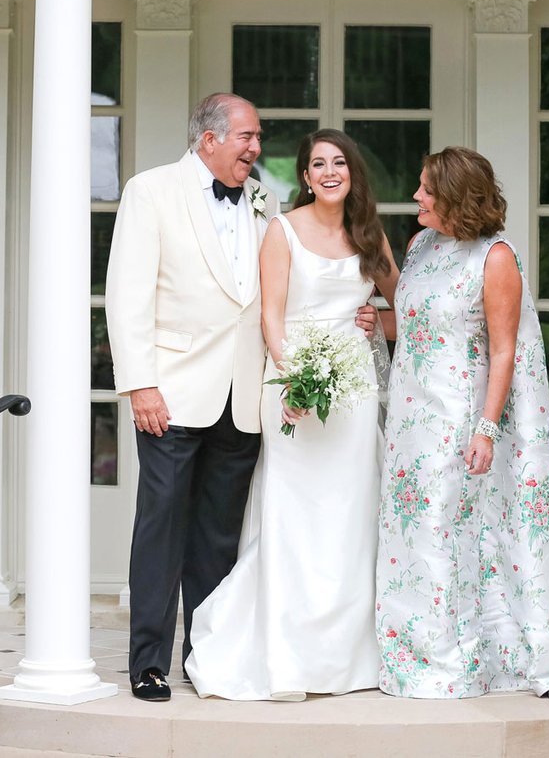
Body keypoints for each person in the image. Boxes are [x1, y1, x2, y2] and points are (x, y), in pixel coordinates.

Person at [185, 128, 399, 701]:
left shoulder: (368, 234)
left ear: (352, 173)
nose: (330, 172)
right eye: (318, 165)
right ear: (305, 177)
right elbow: (272, 318)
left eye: (340, 163)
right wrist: (294, 378)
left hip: (352, 391)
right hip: (294, 387)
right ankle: (286, 657)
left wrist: (377, 322)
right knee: (294, 515)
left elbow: (408, 313)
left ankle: (349, 658)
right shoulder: (281, 231)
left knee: (350, 517)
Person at [375, 146, 549, 699]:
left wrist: (486, 430)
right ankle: (412, 649)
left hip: (460, 418)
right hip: (412, 421)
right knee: (412, 532)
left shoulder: (495, 258)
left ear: (456, 196)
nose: (416, 196)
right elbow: (416, 326)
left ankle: (458, 657)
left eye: (426, 189)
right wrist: (377, 320)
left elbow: (505, 350)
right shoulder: (420, 246)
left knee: (448, 531)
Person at [105, 93, 280, 702]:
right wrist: (140, 384)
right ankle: (148, 662)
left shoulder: (264, 200)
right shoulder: (150, 190)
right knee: (162, 526)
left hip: (243, 395)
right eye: (246, 137)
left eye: (258, 138)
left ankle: (207, 653)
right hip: (172, 394)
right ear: (209, 139)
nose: (256, 149)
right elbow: (126, 296)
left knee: (217, 537)